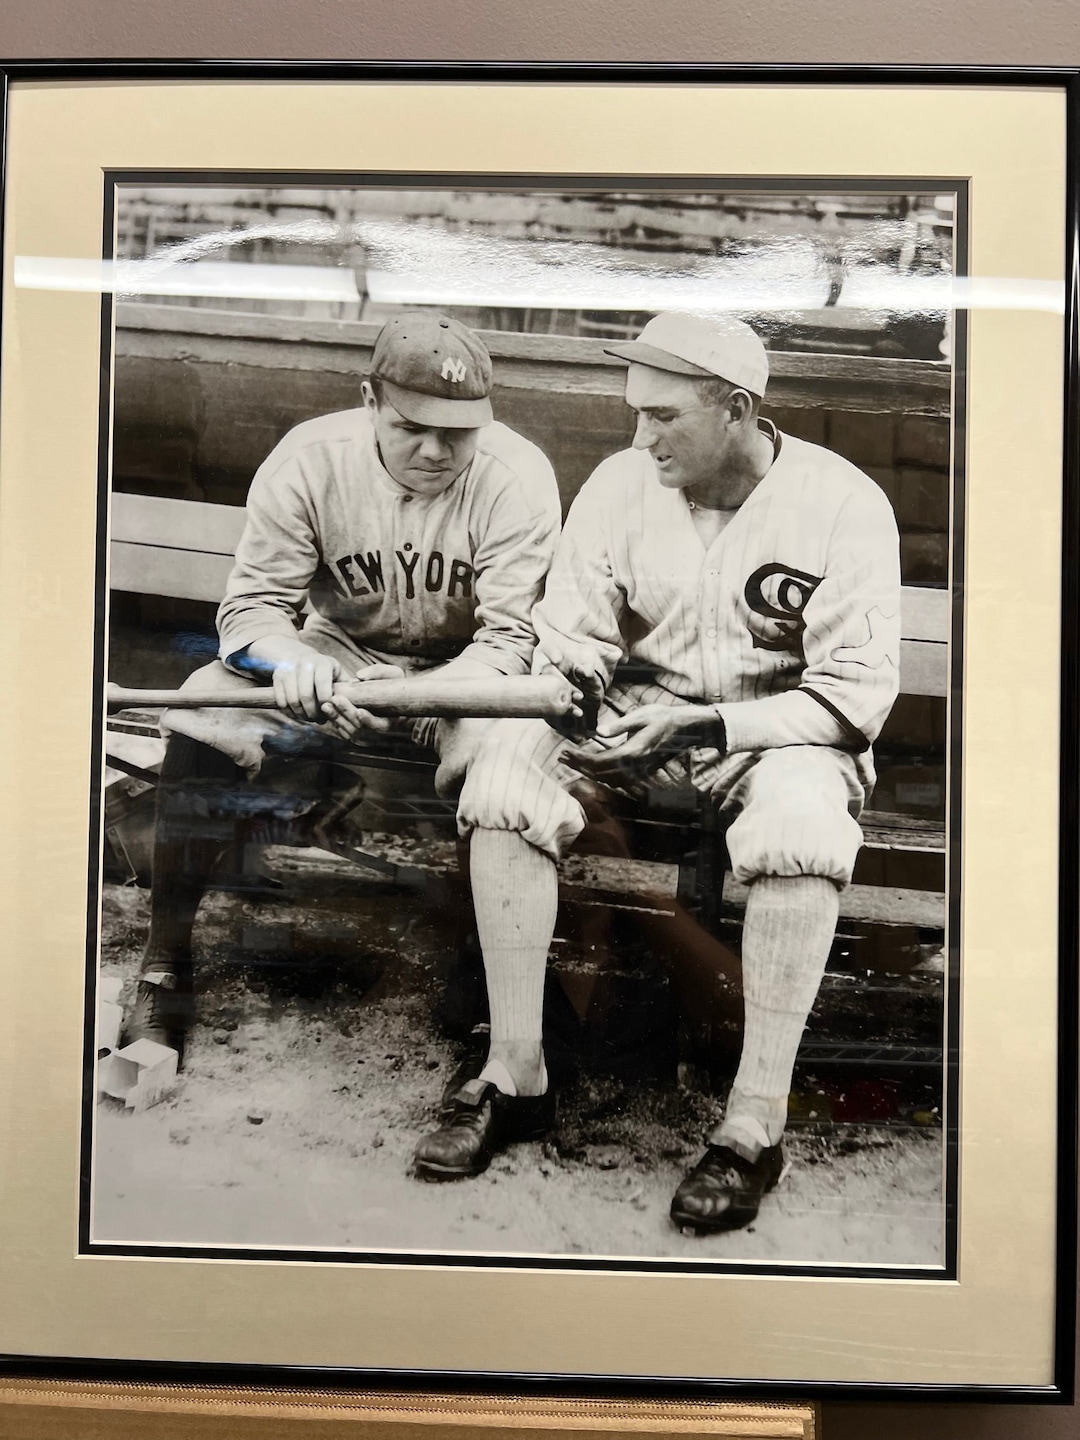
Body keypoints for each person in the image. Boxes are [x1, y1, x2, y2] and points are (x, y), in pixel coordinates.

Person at [442, 310, 901, 1230]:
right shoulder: (621, 485)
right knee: (501, 782)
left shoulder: (841, 503)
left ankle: (753, 1126)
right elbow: (571, 634)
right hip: (636, 719)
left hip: (776, 731)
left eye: (664, 416)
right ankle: (516, 1073)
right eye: (635, 412)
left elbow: (853, 696)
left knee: (803, 831)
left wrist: (718, 726)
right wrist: (578, 686)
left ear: (736, 410)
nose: (641, 435)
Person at [124, 311, 566, 1174]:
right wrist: (293, 664)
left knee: (499, 768)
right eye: (412, 427)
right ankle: (166, 954)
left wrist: (414, 696)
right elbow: (249, 613)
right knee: (204, 711)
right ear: (369, 400)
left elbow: (512, 639)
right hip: (338, 657)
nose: (436, 450)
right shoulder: (311, 458)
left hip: (463, 676)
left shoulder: (516, 476)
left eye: (457, 432)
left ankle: (489, 993)